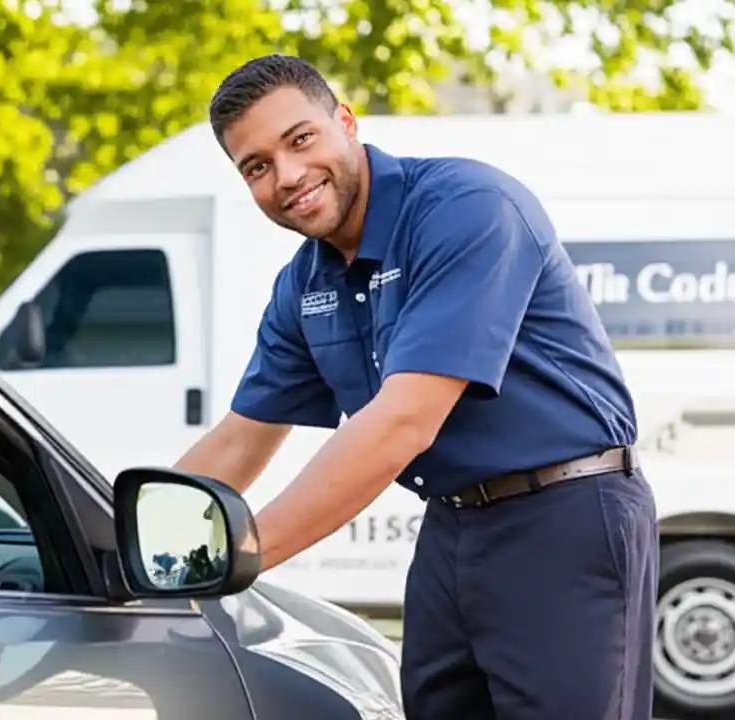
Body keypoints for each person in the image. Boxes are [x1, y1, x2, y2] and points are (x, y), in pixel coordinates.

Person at [174, 53, 659, 719]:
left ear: (345, 121)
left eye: (300, 139)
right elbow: (238, 441)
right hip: (451, 527)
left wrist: (229, 559)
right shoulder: (303, 284)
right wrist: (124, 544)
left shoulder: (466, 208)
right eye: (256, 167)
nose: (287, 176)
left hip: (566, 514)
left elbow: (402, 424)